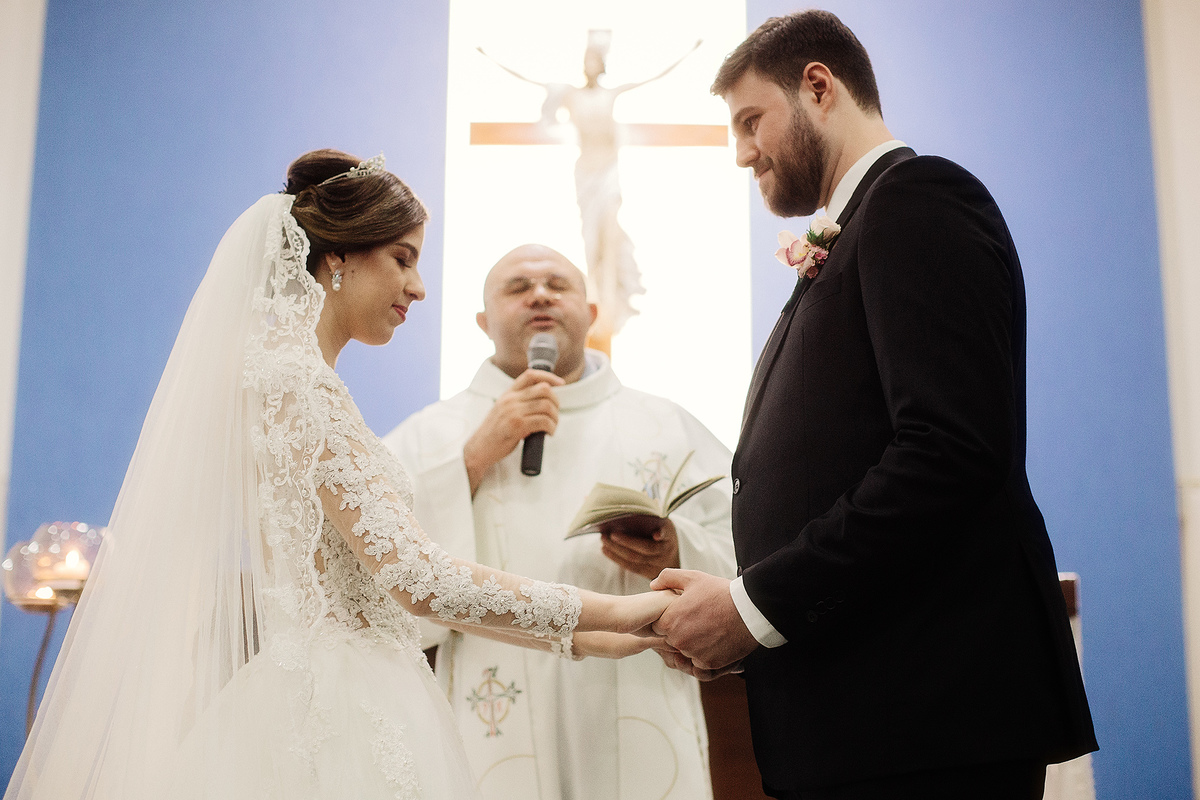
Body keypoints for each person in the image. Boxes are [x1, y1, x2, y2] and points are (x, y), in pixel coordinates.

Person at [5, 150, 673, 800]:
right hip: (341, 716)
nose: (418, 287)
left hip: (344, 686)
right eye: (403, 259)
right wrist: (618, 609)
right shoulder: (295, 383)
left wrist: (586, 639)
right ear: (338, 258)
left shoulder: (292, 377)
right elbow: (415, 579)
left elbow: (373, 595)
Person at [649, 11, 1098, 800]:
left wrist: (751, 607)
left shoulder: (919, 200)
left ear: (817, 86)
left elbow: (949, 451)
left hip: (926, 716)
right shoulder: (859, 227)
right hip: (870, 714)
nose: (741, 152)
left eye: (751, 121)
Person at [384, 243, 736, 800]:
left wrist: (677, 551)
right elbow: (376, 568)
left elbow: (748, 547)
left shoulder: (664, 424)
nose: (540, 295)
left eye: (557, 284)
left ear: (592, 314)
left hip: (638, 684)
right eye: (518, 287)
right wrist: (471, 462)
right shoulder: (431, 435)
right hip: (492, 690)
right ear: (483, 321)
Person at [479, 33, 700, 350]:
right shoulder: (569, 95)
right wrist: (490, 56)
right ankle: (593, 297)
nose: (590, 65)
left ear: (602, 66)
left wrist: (689, 51)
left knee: (610, 238)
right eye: (586, 60)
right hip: (586, 175)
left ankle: (609, 300)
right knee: (591, 243)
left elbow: (653, 77)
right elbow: (528, 80)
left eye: (594, 60)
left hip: (609, 173)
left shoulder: (611, 95)